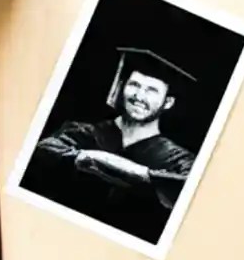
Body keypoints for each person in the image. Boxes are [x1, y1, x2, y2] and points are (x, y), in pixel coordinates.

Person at [22, 47, 197, 244]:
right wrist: (82, 158)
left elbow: (187, 190)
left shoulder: (177, 159)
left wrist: (112, 163)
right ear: (122, 87)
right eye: (134, 85)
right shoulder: (84, 132)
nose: (139, 96)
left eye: (151, 90)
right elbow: (42, 152)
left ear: (168, 102)